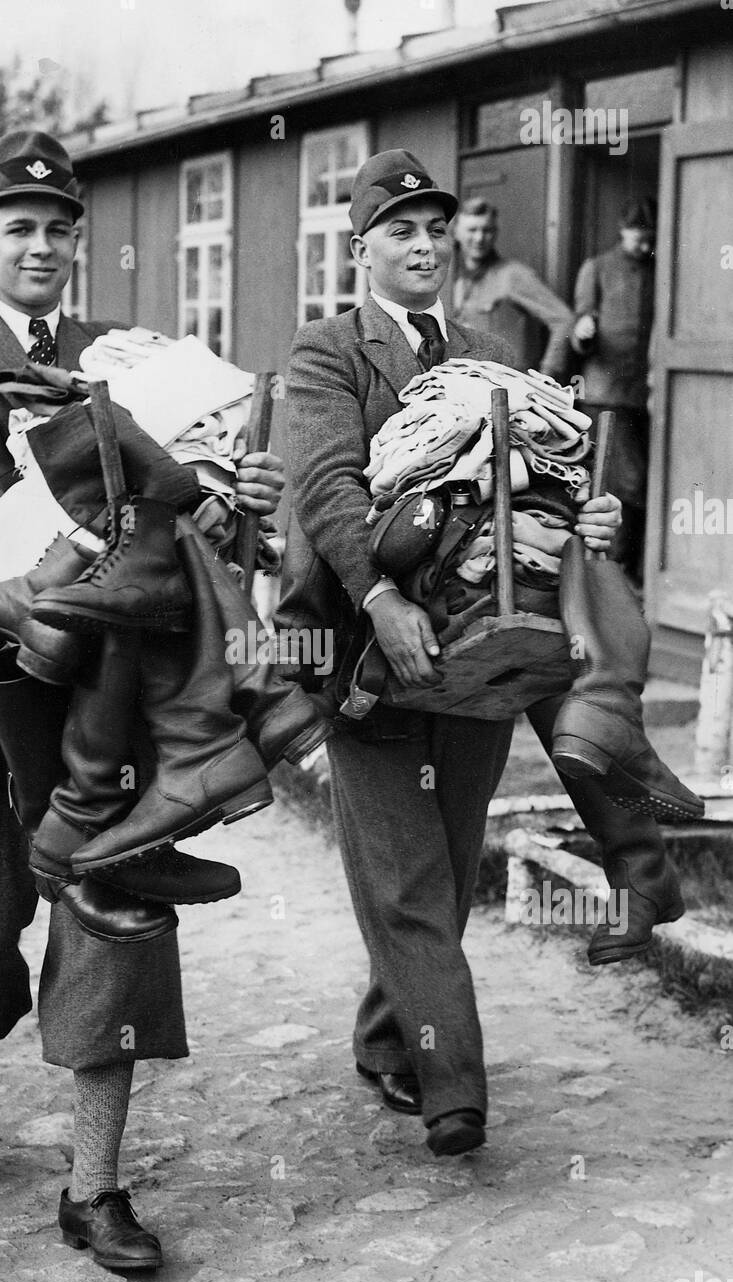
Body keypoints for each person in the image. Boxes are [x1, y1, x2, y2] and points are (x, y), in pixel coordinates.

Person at [0, 130, 284, 1274]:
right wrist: (7, 576)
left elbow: (182, 499)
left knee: (117, 900)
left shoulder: (121, 354)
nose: (43, 247)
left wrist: (233, 495)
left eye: (60, 229)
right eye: (20, 227)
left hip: (110, 659)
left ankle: (94, 1185)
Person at [280, 150, 686, 1155]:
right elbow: (328, 490)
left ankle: (389, 1036)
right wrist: (376, 595)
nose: (424, 246)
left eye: (435, 229)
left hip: (480, 658)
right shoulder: (328, 353)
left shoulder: (490, 345)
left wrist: (589, 508)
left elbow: (541, 478)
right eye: (401, 230)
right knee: (408, 880)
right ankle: (452, 1083)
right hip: (365, 658)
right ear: (361, 245)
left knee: (449, 874)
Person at [571, 197, 657, 585]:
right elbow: (580, 322)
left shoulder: (658, 270)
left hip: (647, 394)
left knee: (640, 482)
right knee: (625, 482)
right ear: (623, 231)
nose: (642, 246)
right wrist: (584, 329)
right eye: (637, 238)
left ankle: (628, 570)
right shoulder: (598, 268)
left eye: (648, 239)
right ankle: (614, 571)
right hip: (605, 393)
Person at [452, 198, 574, 378]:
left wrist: (546, 376)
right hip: (463, 386)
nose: (479, 238)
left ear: (495, 233)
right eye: (472, 230)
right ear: (456, 233)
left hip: (507, 389)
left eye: (487, 230)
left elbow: (564, 320)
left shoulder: (513, 275)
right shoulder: (449, 277)